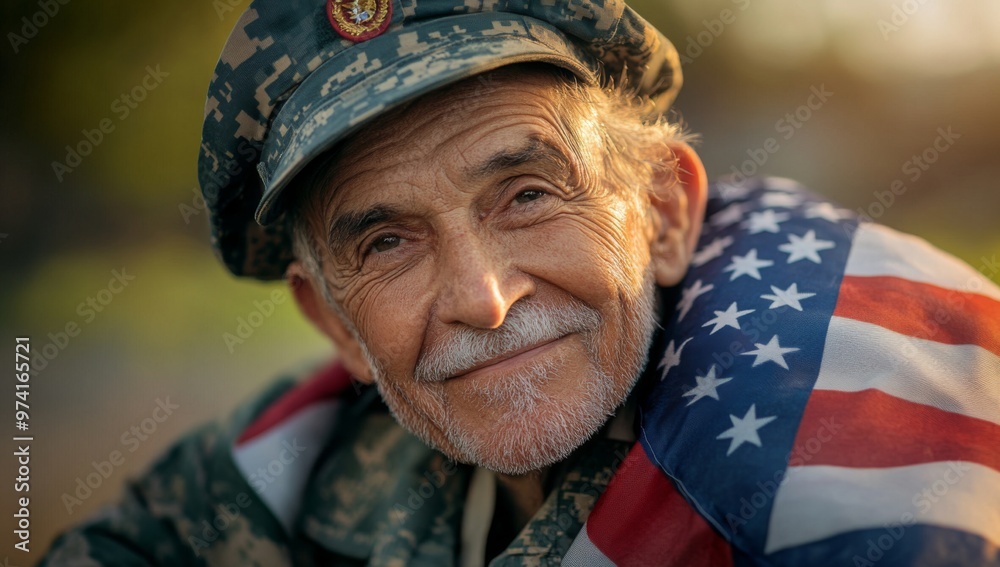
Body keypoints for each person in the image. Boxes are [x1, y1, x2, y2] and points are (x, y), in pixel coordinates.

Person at [41, 0, 1000, 565]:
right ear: (333, 324)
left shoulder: (803, 478)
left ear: (663, 214)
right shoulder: (303, 455)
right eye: (385, 245)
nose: (484, 297)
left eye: (528, 194)